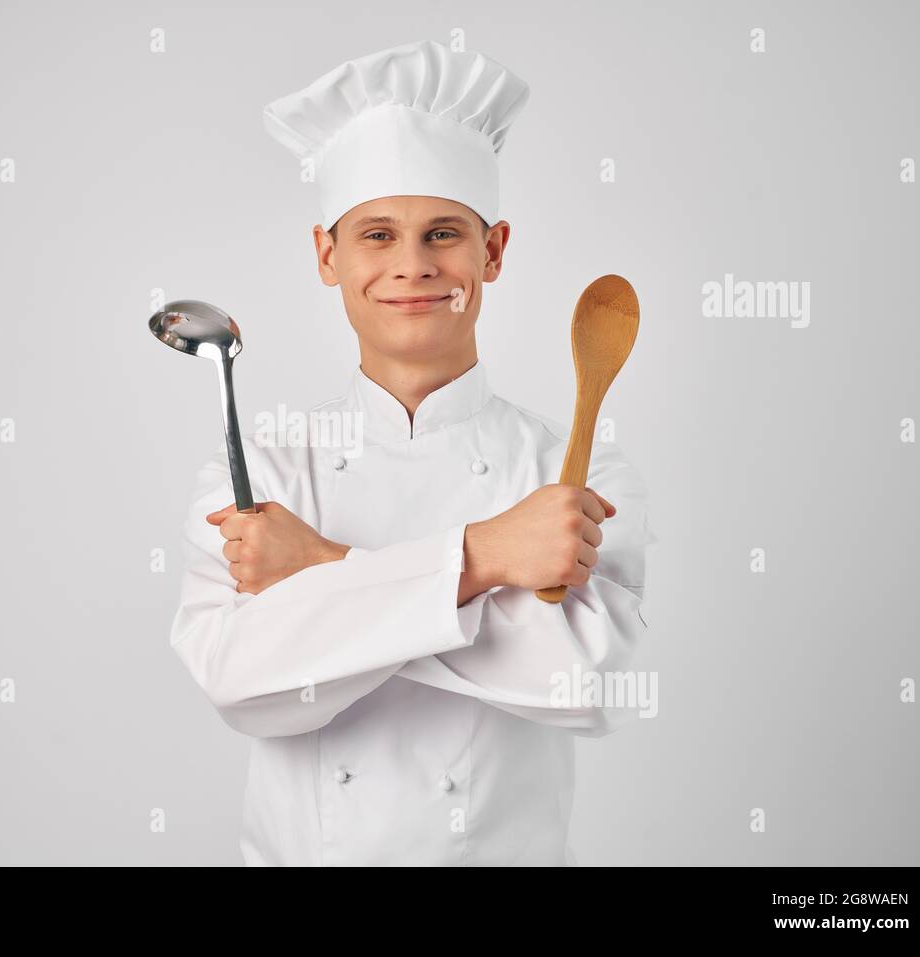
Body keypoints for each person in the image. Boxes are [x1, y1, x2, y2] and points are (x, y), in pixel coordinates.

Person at [168, 39, 657, 866]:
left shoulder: (576, 470)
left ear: (493, 250)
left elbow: (587, 685)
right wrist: (481, 558)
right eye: (377, 235)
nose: (412, 266)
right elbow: (243, 682)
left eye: (442, 233)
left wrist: (320, 567)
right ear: (328, 255)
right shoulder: (259, 470)